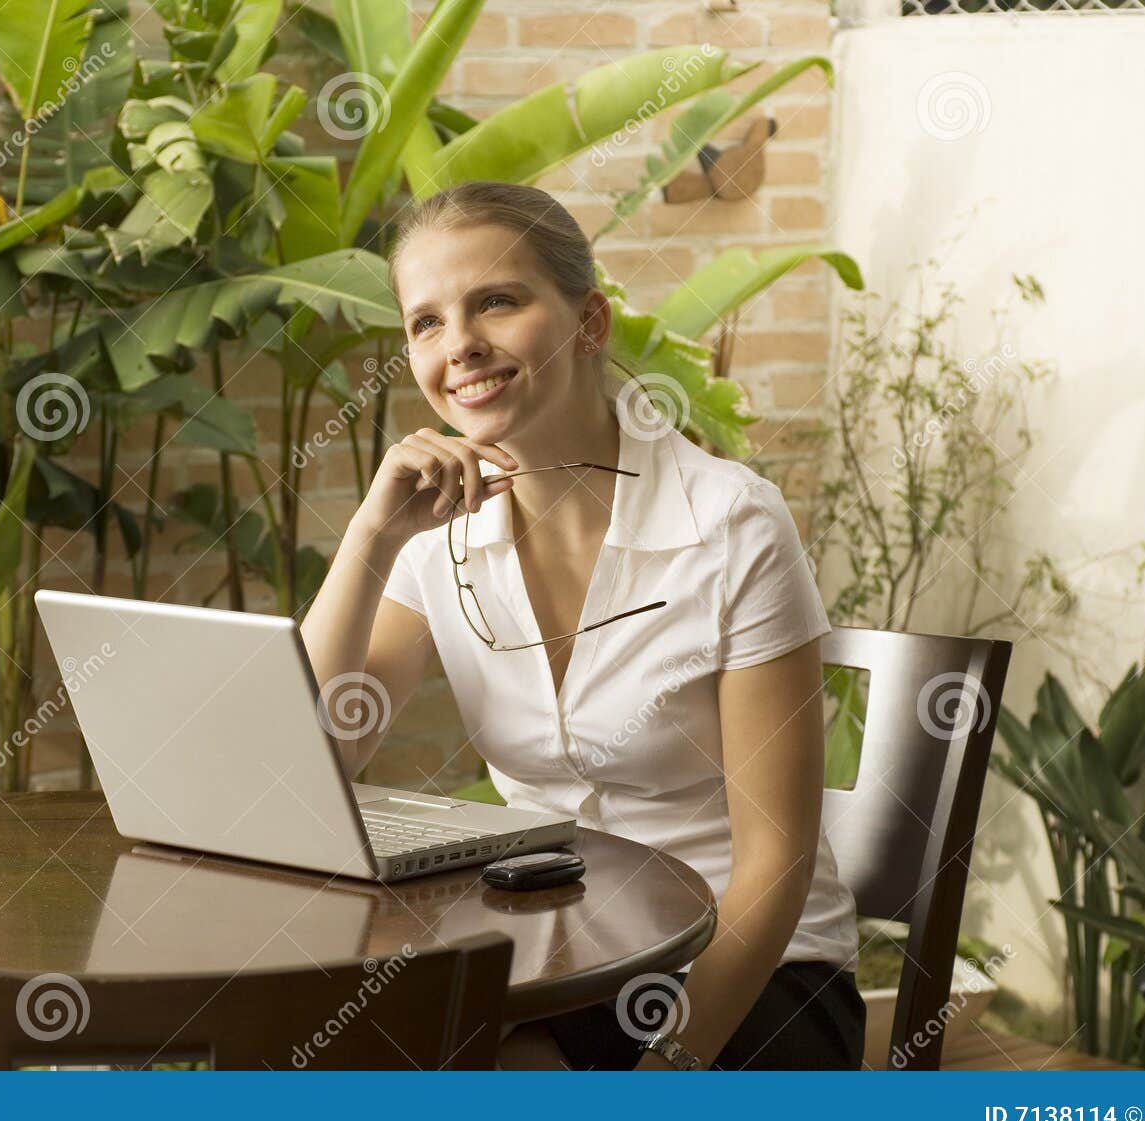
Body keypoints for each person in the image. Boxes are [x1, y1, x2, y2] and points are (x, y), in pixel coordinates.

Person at [298, 180, 862, 1070]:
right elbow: (314, 764)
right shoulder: (431, 539)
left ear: (589, 322)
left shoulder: (730, 526)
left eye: (496, 301)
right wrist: (368, 538)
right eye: (426, 322)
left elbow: (775, 867)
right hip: (557, 962)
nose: (461, 346)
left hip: (745, 975)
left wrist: (658, 1082)